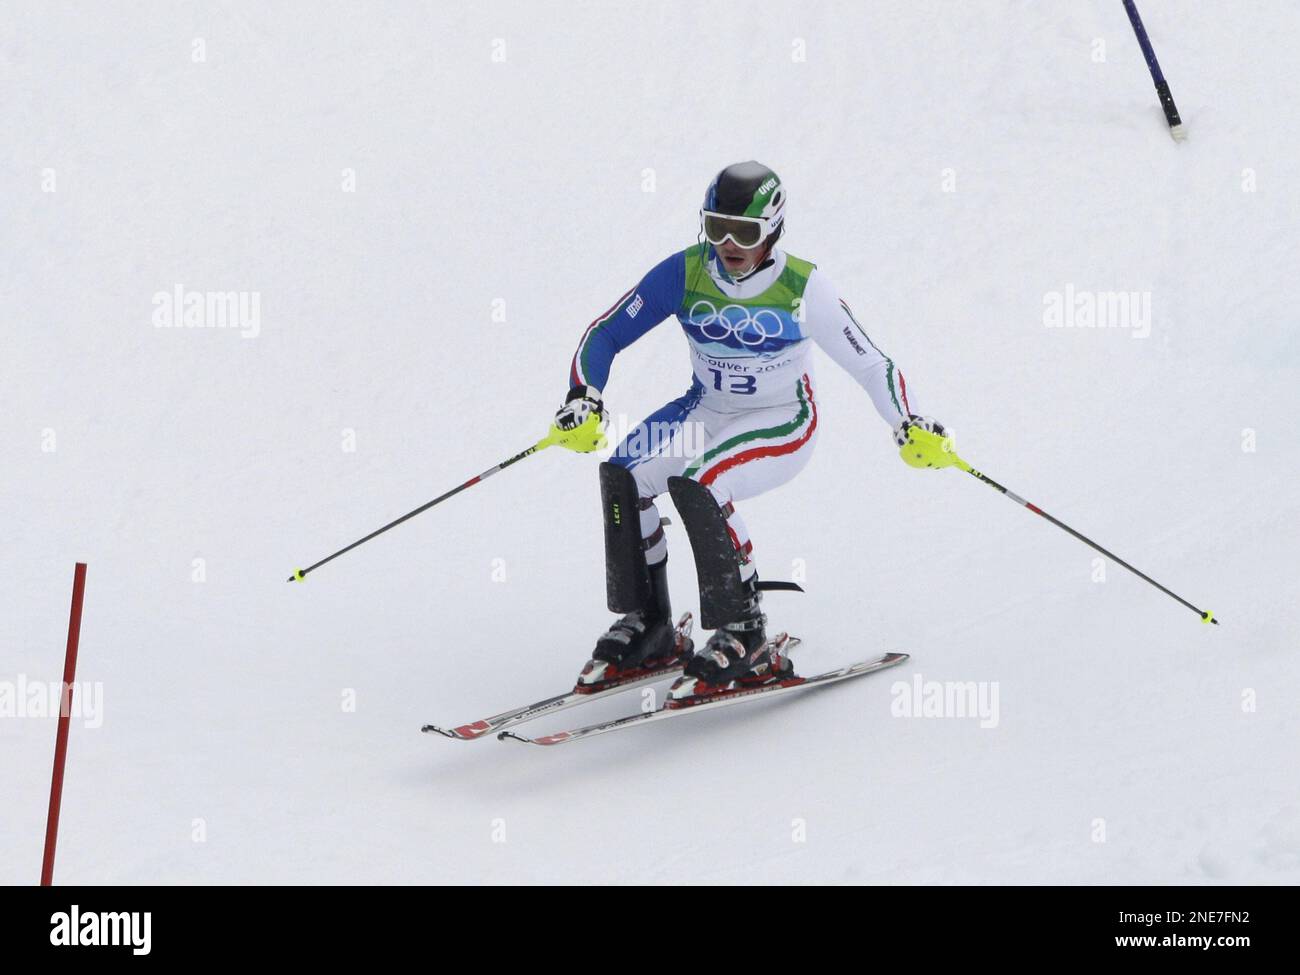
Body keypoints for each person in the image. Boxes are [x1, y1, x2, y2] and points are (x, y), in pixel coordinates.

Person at [550, 161, 947, 694]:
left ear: (774, 229)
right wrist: (585, 396)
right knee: (624, 474)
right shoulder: (685, 272)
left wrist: (909, 421)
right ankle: (651, 626)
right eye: (717, 227)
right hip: (706, 410)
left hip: (783, 420)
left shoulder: (803, 286)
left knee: (704, 482)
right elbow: (605, 334)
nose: (729, 244)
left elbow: (872, 364)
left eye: (746, 232)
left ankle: (746, 633)